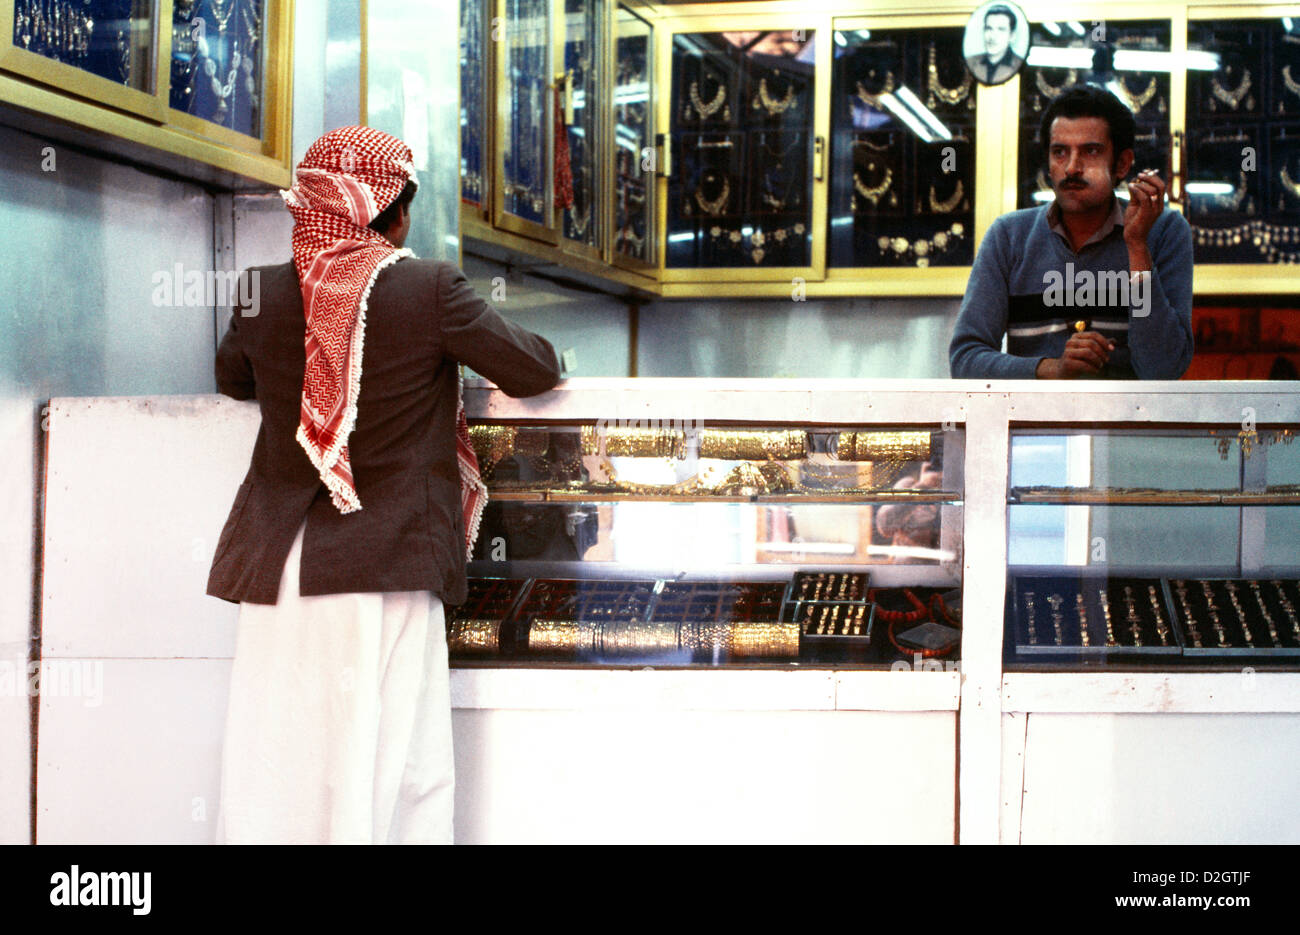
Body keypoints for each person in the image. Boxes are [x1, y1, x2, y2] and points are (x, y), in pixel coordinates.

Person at [205, 126, 561, 844]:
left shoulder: (260, 292)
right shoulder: (429, 288)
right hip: (385, 564)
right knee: (396, 773)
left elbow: (231, 377)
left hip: (281, 571)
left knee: (278, 770)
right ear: (392, 211)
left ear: (308, 208)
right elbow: (534, 369)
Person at [949, 84, 1193, 379]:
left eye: (1090, 151)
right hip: (1034, 423)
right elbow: (965, 361)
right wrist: (1051, 369)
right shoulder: (1009, 237)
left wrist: (1137, 247)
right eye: (1060, 152)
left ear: (1122, 164)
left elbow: (1162, 369)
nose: (1072, 168)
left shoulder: (1162, 230)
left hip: (1128, 423)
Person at [964, 5, 1024, 85]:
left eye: (1001, 29)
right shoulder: (971, 62)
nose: (992, 37)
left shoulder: (1020, 64)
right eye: (989, 28)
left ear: (1012, 36)